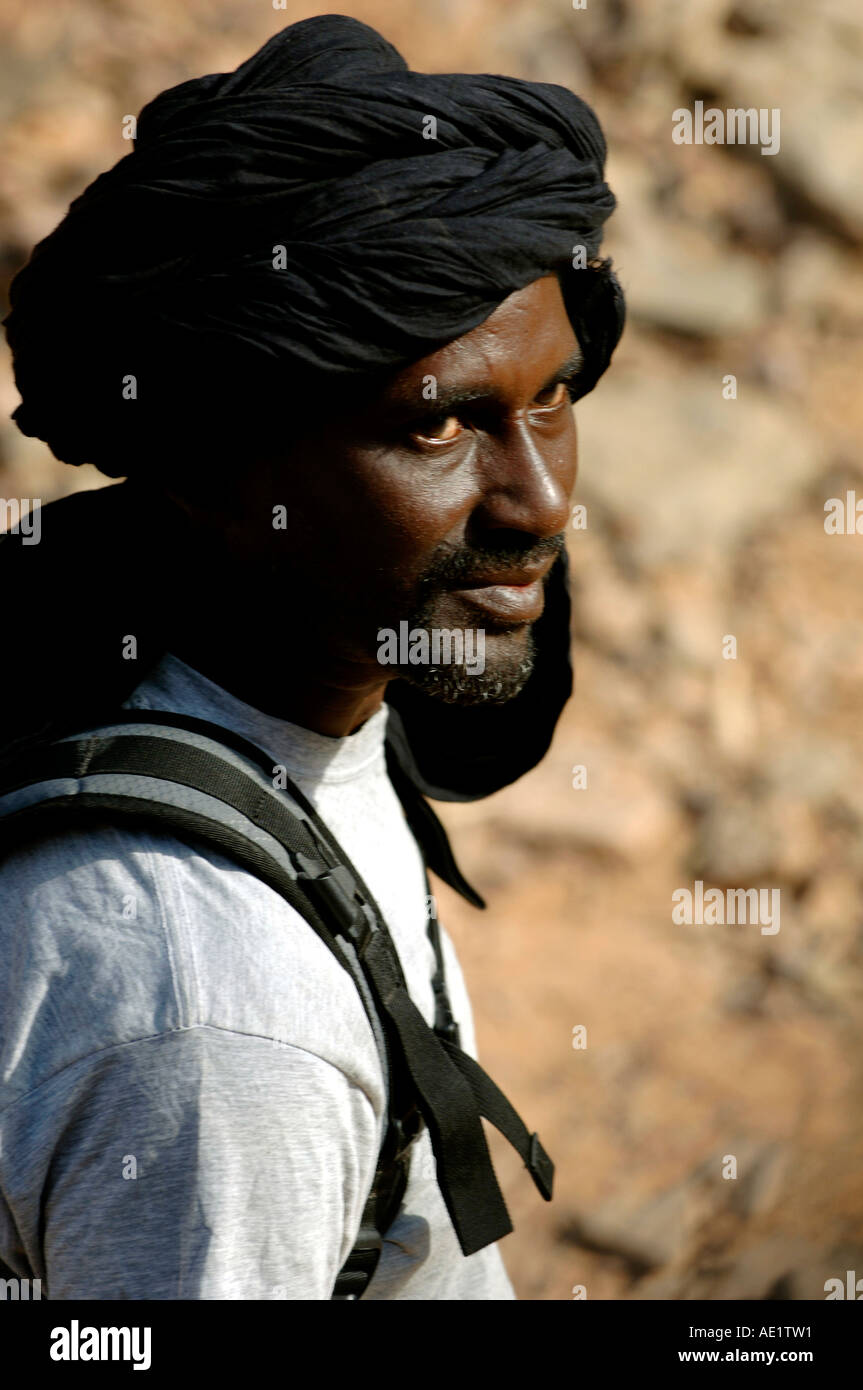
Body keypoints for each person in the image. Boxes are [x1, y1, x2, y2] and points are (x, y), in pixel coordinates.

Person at [0, 15, 624, 1299]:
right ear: (217, 471)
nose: (542, 503)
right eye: (437, 422)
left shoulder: (300, 711)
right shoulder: (212, 1019)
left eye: (549, 401)